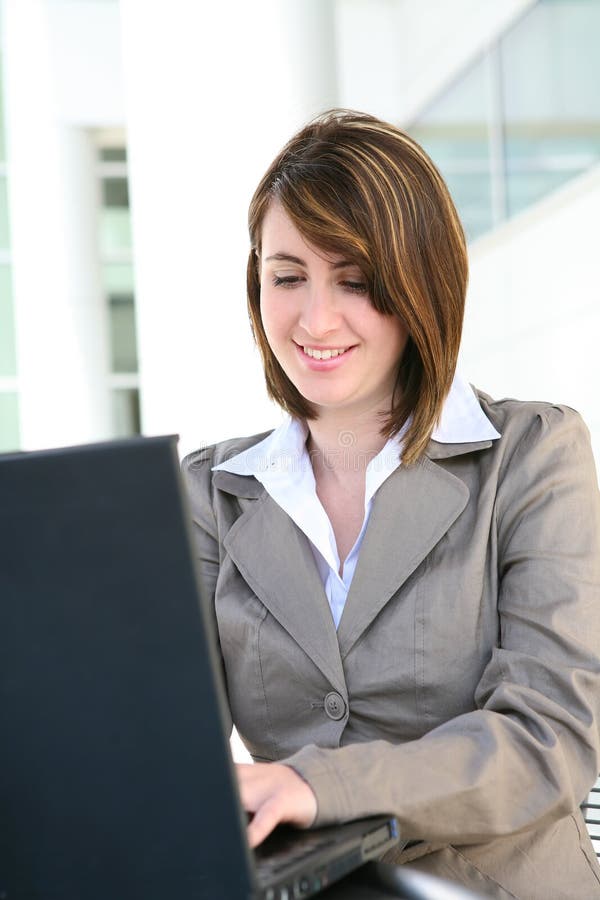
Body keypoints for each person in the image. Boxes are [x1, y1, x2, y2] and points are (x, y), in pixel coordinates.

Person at [182, 110, 600, 898]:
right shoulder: (211, 492)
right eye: (287, 275)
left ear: (421, 284)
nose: (315, 319)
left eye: (356, 280)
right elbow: (165, 742)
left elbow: (551, 737)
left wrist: (321, 786)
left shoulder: (533, 455)